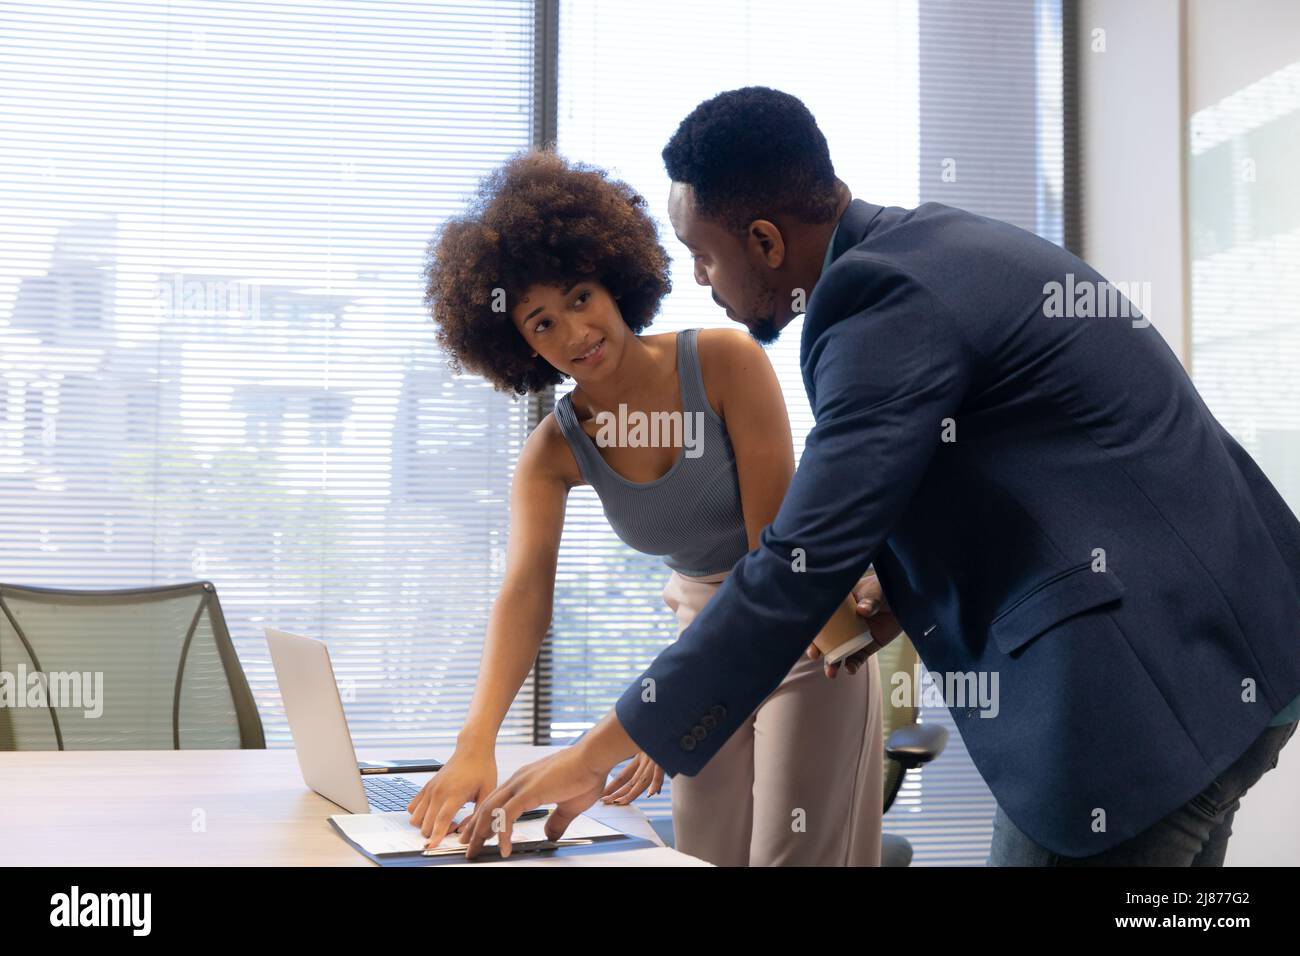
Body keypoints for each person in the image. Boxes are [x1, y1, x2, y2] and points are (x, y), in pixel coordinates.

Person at [459, 87, 1300, 866]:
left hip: (1136, 703)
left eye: (705, 257)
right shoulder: (926, 249)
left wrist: (593, 752)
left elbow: (793, 566)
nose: (702, 282)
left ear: (763, 241)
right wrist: (898, 590)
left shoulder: (873, 312)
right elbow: (1017, 467)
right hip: (1237, 648)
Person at [409, 148, 885, 866]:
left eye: (579, 298)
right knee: (702, 855)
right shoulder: (553, 452)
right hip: (701, 638)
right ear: (521, 349)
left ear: (614, 283)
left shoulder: (727, 362)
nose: (573, 334)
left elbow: (772, 562)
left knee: (791, 854)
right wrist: (474, 744)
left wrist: (655, 716)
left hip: (797, 631)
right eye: (540, 324)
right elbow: (525, 590)